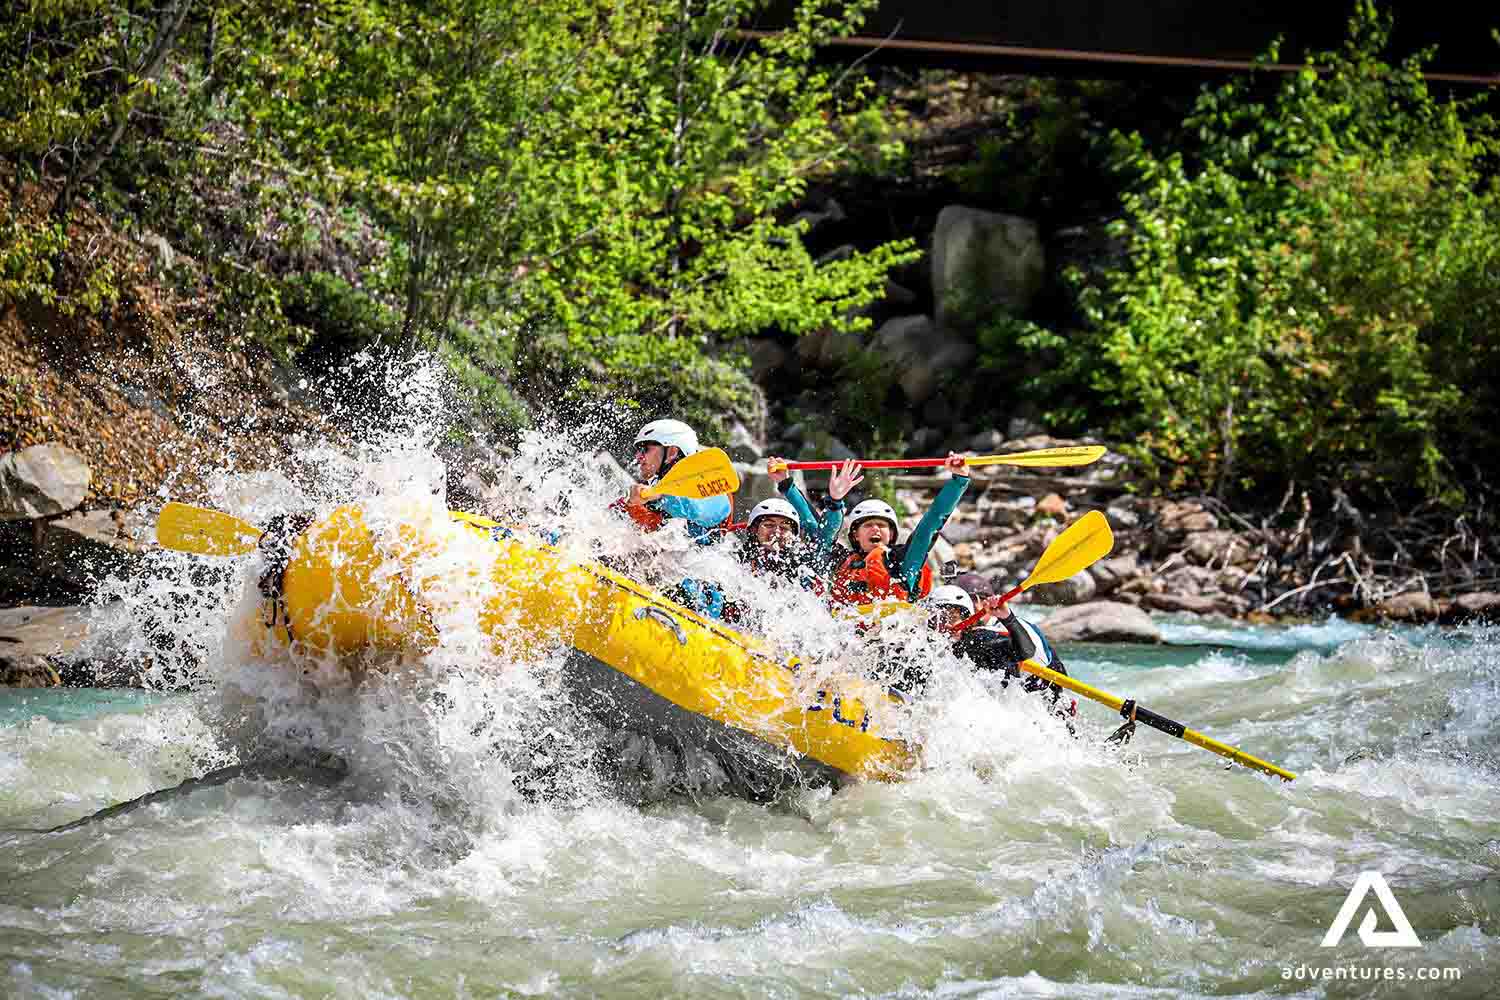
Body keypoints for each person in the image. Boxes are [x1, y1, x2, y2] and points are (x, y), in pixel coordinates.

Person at [907, 585, 1076, 724]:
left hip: (1039, 711)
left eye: (951, 617)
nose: (942, 625)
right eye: (936, 619)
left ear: (966, 621)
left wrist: (1008, 618)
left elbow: (1026, 652)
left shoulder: (980, 640)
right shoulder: (928, 648)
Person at [828, 452, 970, 606]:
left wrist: (958, 481)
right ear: (855, 535)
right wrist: (834, 502)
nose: (875, 529)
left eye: (882, 525)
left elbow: (929, 526)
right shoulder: (840, 562)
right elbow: (820, 535)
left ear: (891, 534)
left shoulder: (902, 562)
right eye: (868, 525)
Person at [615, 418, 731, 543]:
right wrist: (631, 505)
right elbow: (647, 526)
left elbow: (713, 511)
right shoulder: (651, 489)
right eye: (637, 451)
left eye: (645, 449)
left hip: (699, 558)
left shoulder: (709, 485)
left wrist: (661, 495)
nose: (638, 456)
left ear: (672, 452)